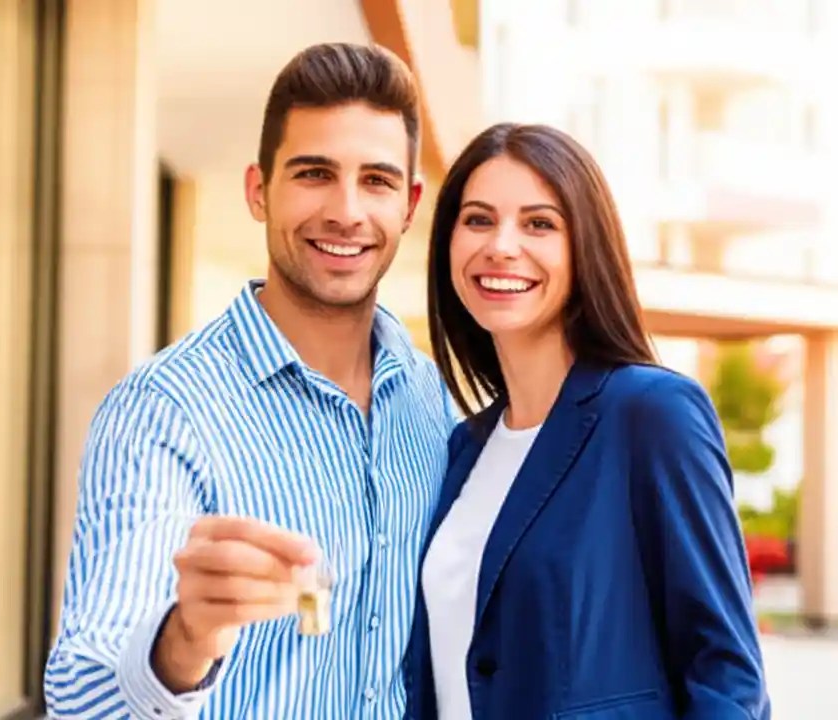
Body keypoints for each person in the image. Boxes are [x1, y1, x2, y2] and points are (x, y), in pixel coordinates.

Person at [43, 43, 457, 719]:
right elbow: (81, 697)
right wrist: (183, 642)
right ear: (258, 190)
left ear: (410, 205)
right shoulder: (164, 412)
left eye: (376, 181)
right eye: (314, 173)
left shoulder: (431, 403)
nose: (347, 211)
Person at [402, 123, 771, 719]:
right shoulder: (464, 448)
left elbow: (726, 673)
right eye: (477, 220)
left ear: (585, 246)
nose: (501, 245)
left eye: (539, 223)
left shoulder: (651, 415)